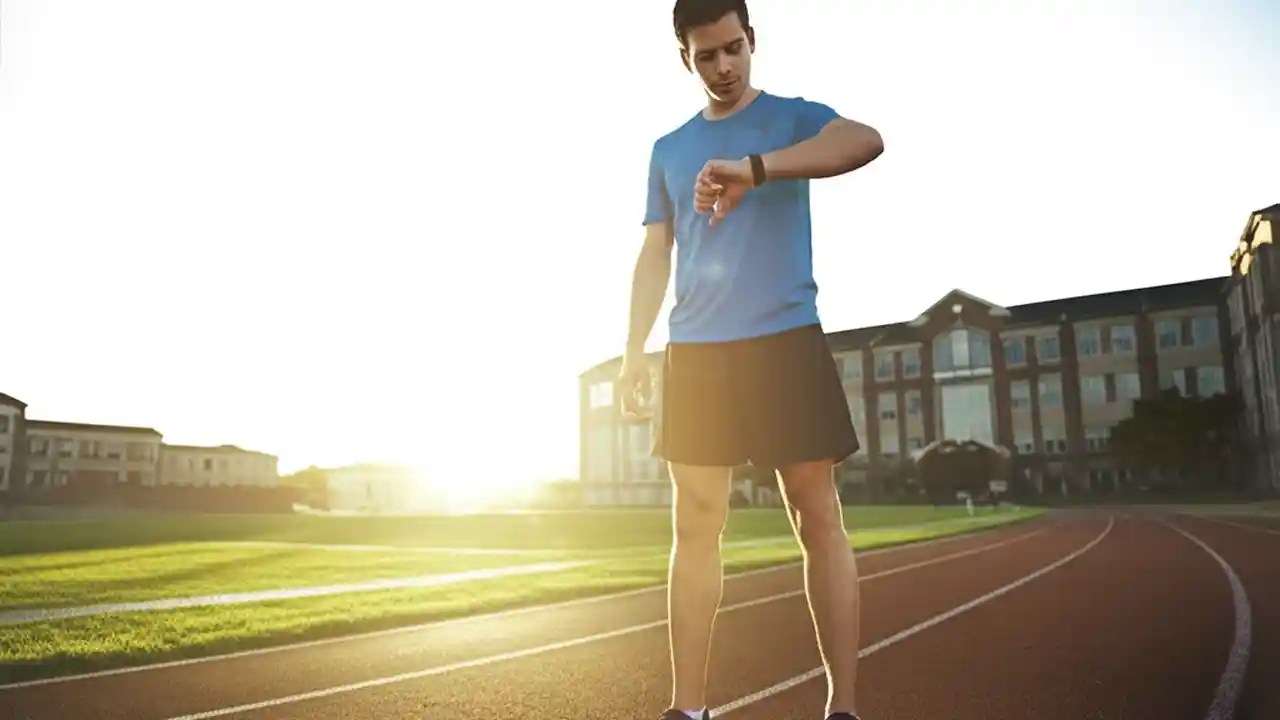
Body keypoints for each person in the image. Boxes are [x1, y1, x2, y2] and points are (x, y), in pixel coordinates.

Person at [618, 1, 885, 719]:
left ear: (751, 41)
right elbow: (654, 256)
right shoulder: (668, 149)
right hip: (697, 350)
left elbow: (865, 141)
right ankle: (689, 708)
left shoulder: (794, 117)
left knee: (814, 512)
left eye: (733, 48)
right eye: (707, 55)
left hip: (784, 337)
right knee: (695, 522)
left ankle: (843, 706)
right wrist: (632, 352)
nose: (724, 66)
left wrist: (755, 168)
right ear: (686, 58)